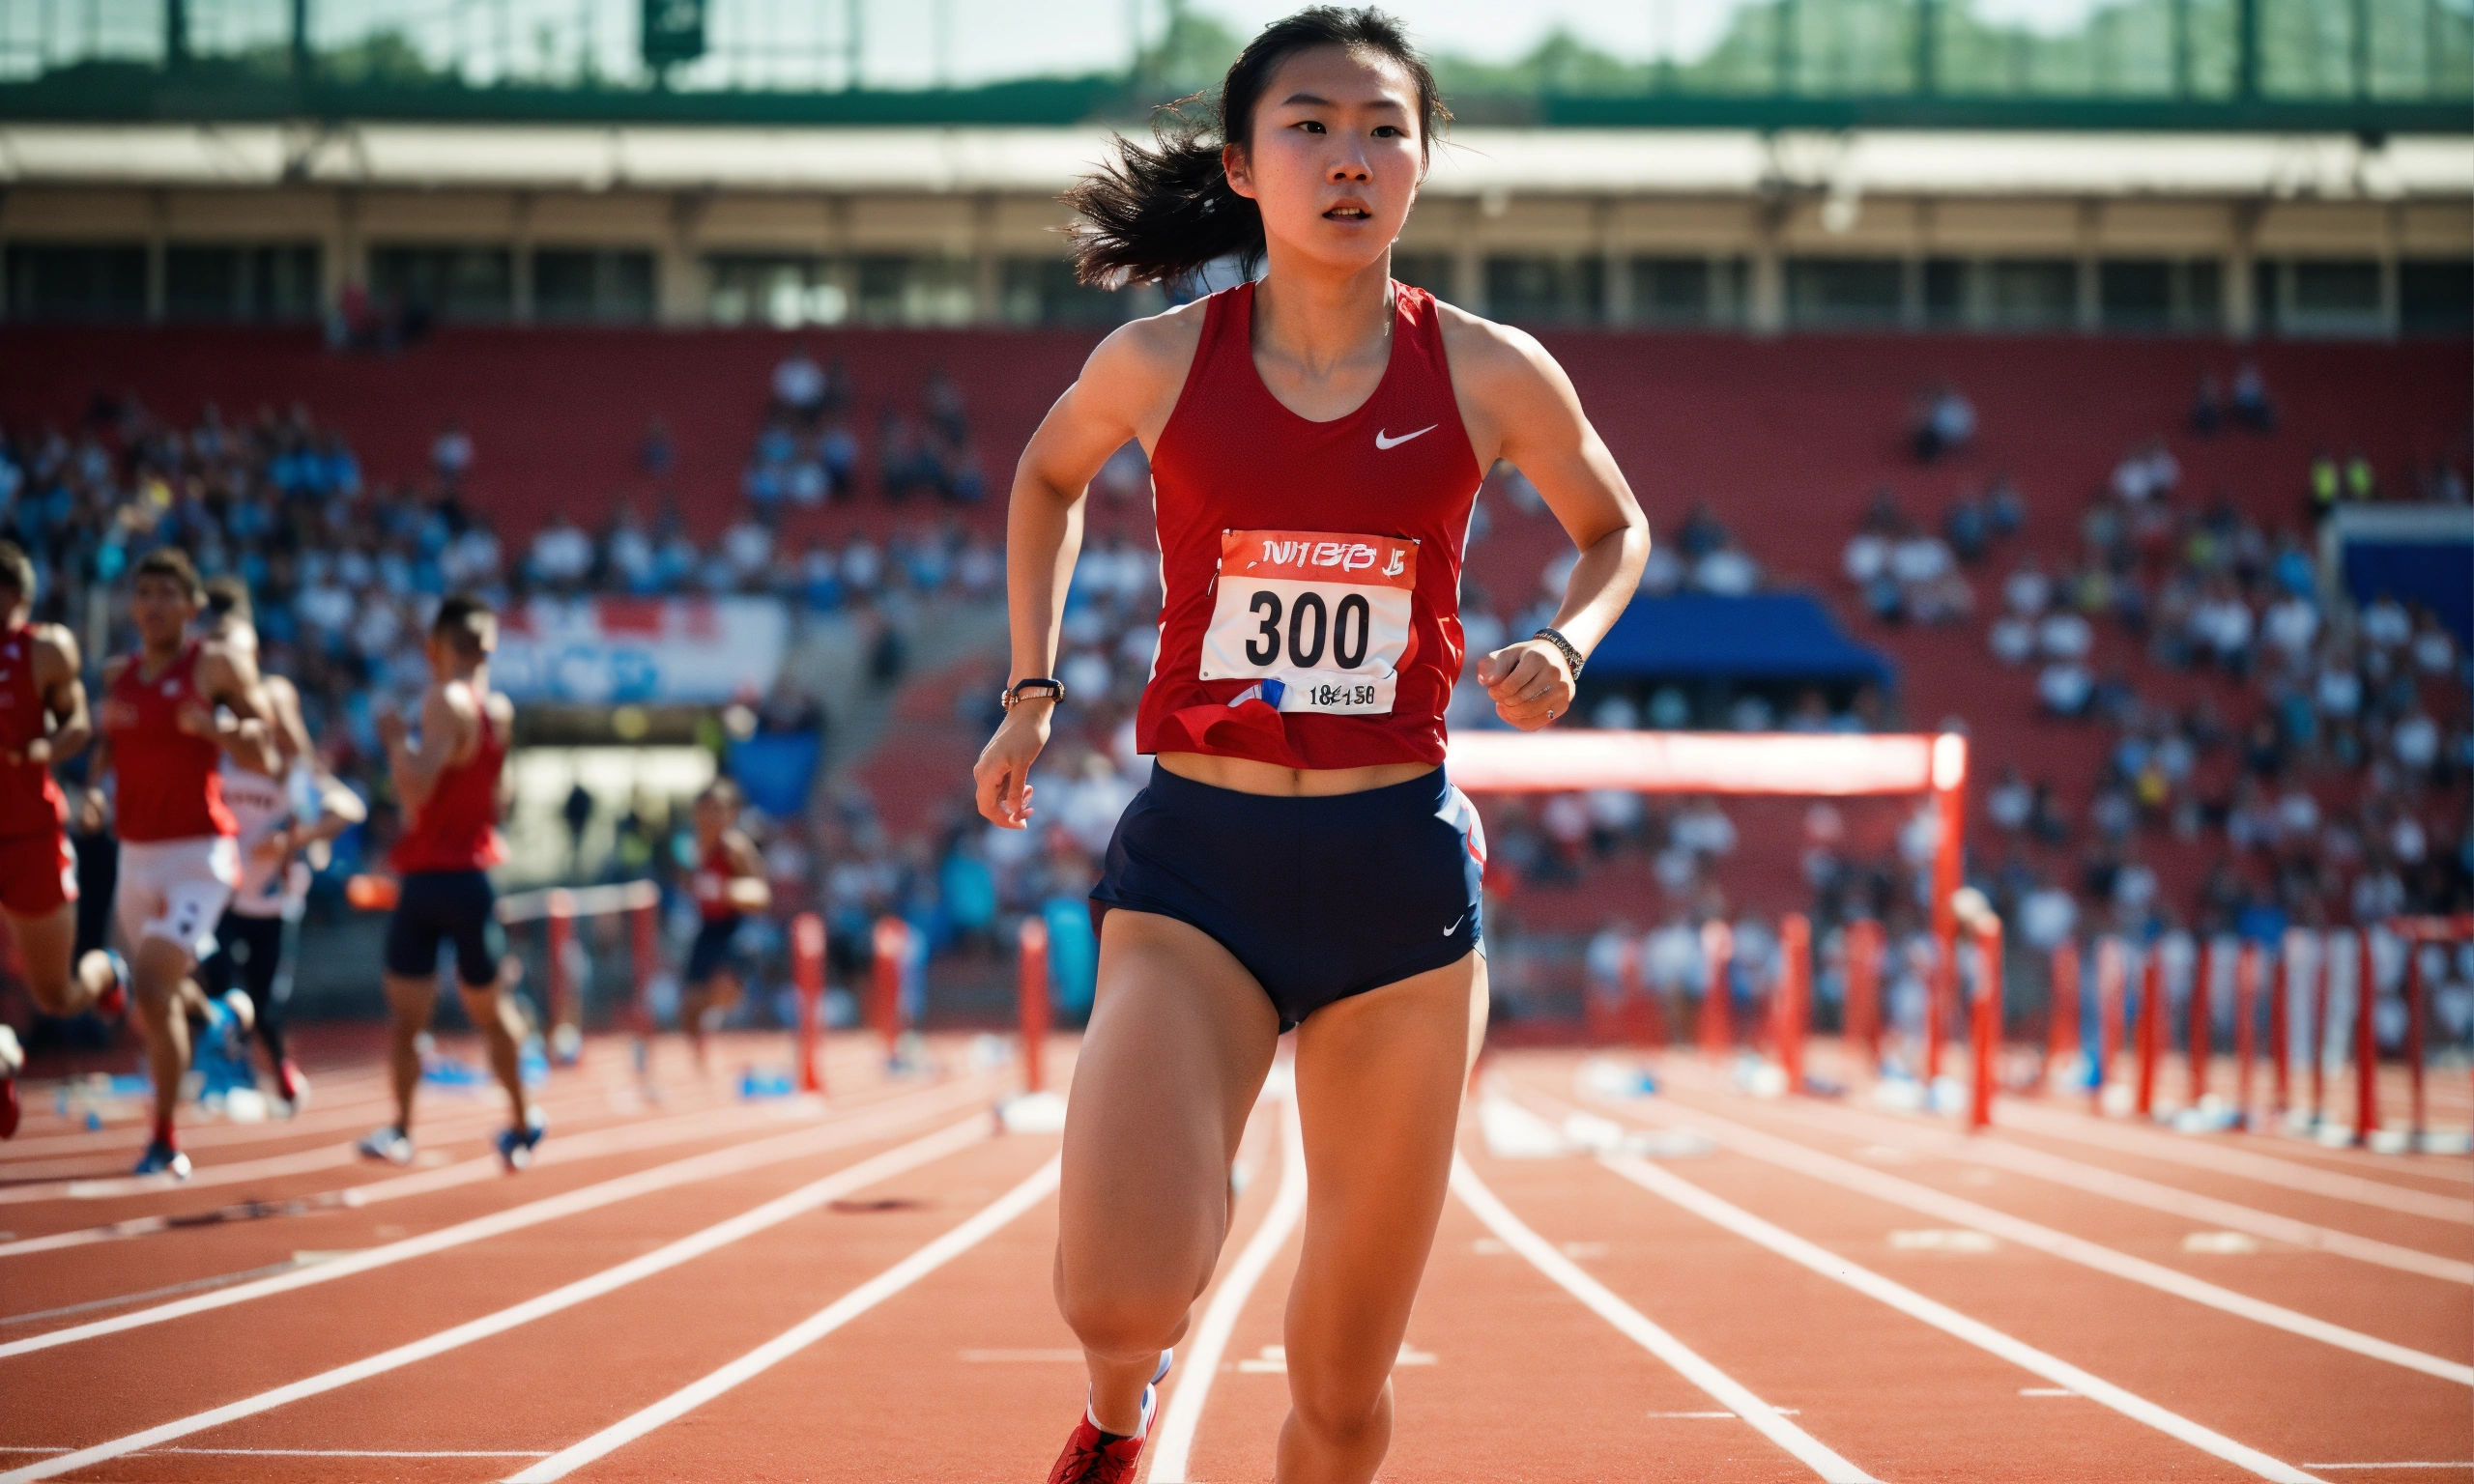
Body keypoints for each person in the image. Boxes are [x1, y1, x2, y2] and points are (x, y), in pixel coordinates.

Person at [970, 13, 1649, 1482]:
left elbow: (1615, 528)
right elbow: (1044, 476)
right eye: (1311, 126)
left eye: (1384, 129)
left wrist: (1569, 640)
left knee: (1342, 1391)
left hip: (1394, 885)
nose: (1351, 158)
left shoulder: (1487, 370)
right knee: (1120, 1291)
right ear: (1242, 161)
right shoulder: (1159, 361)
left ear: (1421, 162)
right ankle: (1117, 1414)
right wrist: (1030, 687)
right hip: (1199, 870)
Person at [93, 548, 278, 1177]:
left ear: (194, 608)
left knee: (147, 983)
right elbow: (107, 753)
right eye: (144, 592)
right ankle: (219, 1012)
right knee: (159, 995)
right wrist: (92, 790)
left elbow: (266, 748)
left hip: (199, 854)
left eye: (168, 593)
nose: (153, 604)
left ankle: (164, 1140)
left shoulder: (214, 664)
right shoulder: (119, 675)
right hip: (135, 853)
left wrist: (214, 728)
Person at [359, 595, 543, 1172]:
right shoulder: (499, 709)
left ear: (433, 648)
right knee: (490, 1009)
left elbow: (415, 788)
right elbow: (500, 795)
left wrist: (393, 740)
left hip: (433, 875)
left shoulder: (444, 700)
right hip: (471, 877)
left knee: (409, 1017)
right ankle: (521, 1121)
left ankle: (403, 1131)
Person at [197, 579, 366, 1115]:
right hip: (218, 887)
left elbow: (345, 807)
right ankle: (231, 1072)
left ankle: (281, 1068)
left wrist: (294, 837)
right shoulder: (207, 725)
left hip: (271, 896)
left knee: (267, 1006)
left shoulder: (284, 741)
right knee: (219, 987)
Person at [0, 541, 123, 1140]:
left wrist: (44, 749)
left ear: (18, 598)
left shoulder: (44, 650)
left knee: (55, 994)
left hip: (28, 834)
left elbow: (78, 723)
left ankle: (108, 975)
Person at [677, 778, 771, 1075]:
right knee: (689, 1005)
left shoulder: (735, 847)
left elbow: (761, 894)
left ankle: (728, 1013)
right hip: (707, 927)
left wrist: (724, 890)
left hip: (737, 927)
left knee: (725, 988)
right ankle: (701, 1065)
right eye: (705, 809)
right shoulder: (688, 847)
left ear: (732, 814)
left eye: (719, 810)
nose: (711, 817)